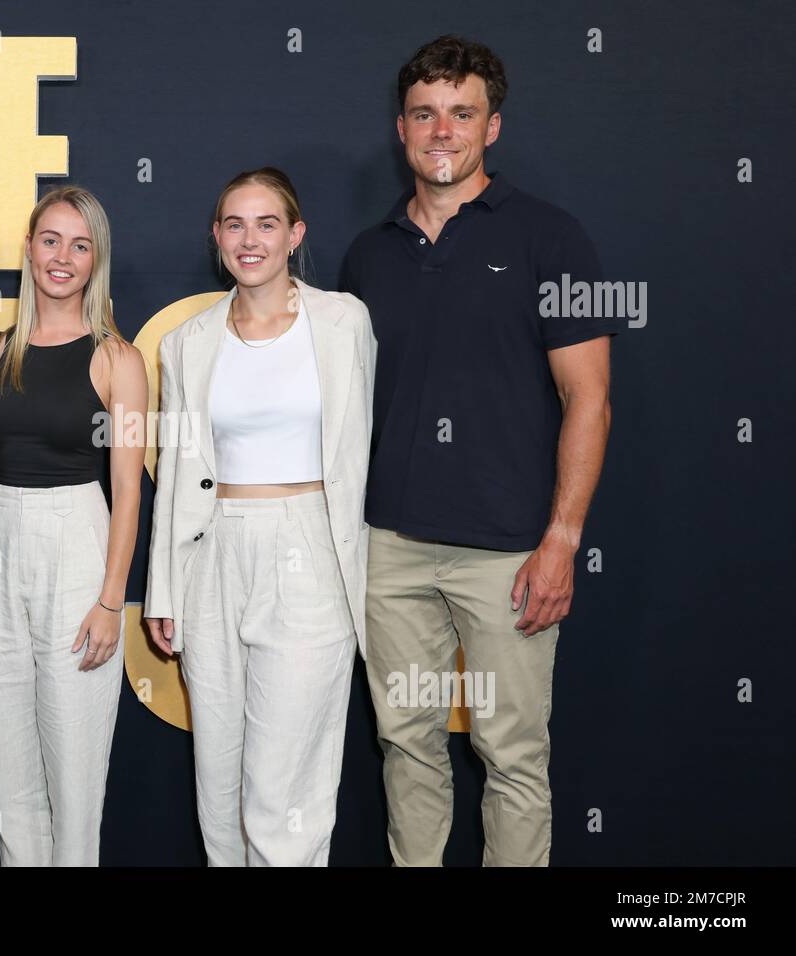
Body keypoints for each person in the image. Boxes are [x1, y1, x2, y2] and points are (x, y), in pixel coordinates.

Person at [340, 36, 620, 866]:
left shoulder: (555, 237)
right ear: (401, 128)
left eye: (461, 114)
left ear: (491, 127)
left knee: (512, 757)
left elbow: (591, 398)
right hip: (390, 548)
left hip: (510, 554)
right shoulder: (368, 254)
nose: (442, 131)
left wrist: (562, 539)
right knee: (408, 746)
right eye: (425, 114)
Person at [144, 167, 377, 866]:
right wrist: (164, 587)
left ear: (295, 235)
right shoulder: (186, 343)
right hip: (213, 553)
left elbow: (361, 448)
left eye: (267, 223)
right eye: (235, 225)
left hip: (310, 552)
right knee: (219, 782)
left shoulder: (344, 322)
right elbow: (180, 472)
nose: (251, 240)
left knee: (287, 787)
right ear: (217, 238)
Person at [0, 186, 148, 866]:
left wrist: (110, 600)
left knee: (74, 783)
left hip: (80, 546)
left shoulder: (117, 359)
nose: (63, 257)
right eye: (51, 240)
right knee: (10, 787)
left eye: (80, 244)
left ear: (95, 257)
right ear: (29, 248)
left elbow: (128, 489)